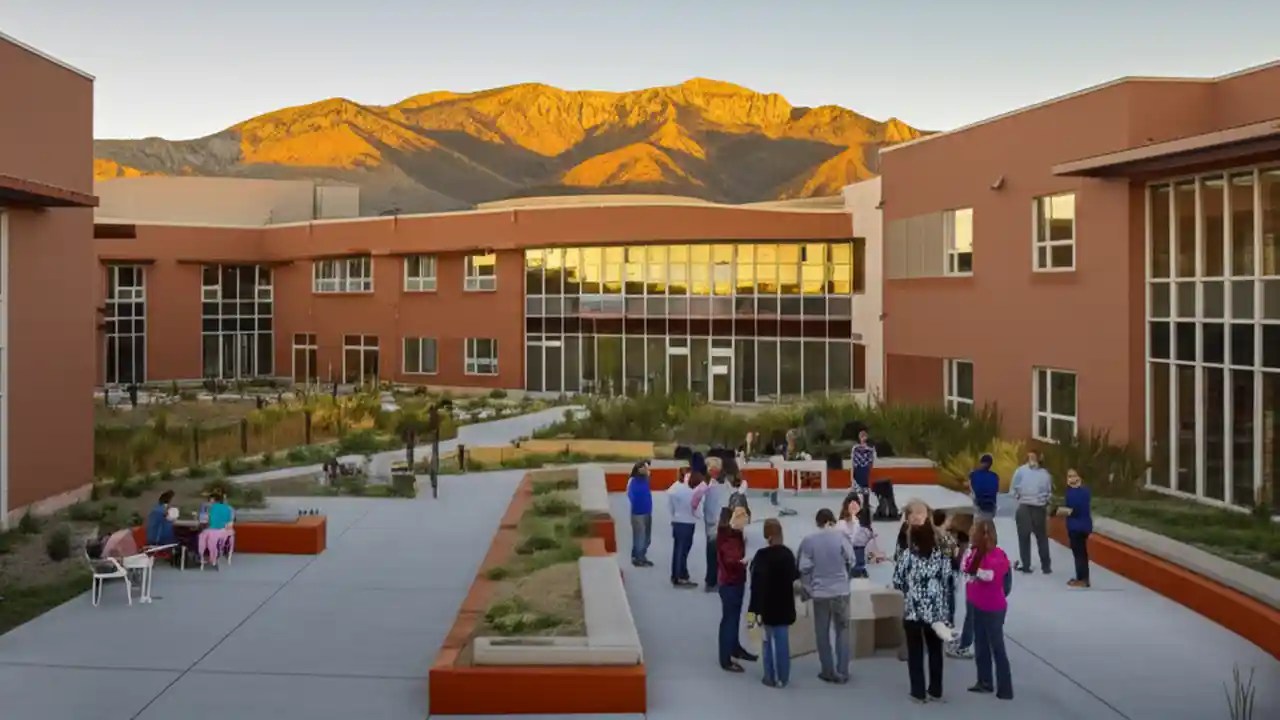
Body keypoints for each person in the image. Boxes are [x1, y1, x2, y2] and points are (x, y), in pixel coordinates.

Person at [892, 501, 953, 703]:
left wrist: (911, 589)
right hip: (935, 610)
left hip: (914, 610)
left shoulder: (908, 556)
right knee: (936, 651)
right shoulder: (940, 556)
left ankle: (918, 693)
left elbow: (898, 580)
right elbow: (947, 577)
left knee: (916, 651)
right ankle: (936, 691)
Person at [797, 508, 853, 683]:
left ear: (817, 522)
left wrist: (807, 587)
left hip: (820, 592)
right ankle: (843, 670)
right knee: (842, 631)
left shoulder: (809, 541)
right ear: (832, 521)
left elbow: (803, 567)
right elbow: (852, 560)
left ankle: (827, 670)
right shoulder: (842, 538)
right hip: (841, 592)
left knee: (822, 632)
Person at [964, 519, 1013, 699]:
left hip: (993, 608)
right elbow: (964, 567)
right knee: (981, 644)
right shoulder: (975, 553)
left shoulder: (998, 555)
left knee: (997, 647)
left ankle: (1005, 688)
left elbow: (990, 576)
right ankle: (984, 681)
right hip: (977, 605)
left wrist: (975, 570)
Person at [749, 518, 799, 688]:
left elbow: (755, 585)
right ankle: (783, 677)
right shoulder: (788, 554)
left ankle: (769, 676)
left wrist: (752, 612)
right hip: (784, 605)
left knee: (767, 643)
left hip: (766, 607)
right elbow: (795, 576)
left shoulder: (761, 556)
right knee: (783, 643)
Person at [716, 507, 756, 671]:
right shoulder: (728, 539)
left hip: (735, 581)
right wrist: (747, 560)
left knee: (734, 618)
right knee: (729, 620)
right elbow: (732, 561)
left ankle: (734, 647)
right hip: (730, 583)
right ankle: (725, 658)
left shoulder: (732, 536)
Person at [693, 454, 731, 592]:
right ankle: (712, 581)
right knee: (715, 553)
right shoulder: (709, 485)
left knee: (716, 553)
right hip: (715, 522)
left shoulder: (719, 484)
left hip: (718, 522)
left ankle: (714, 580)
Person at [1011, 450, 1053, 574]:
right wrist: (1018, 497)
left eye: (1034, 457)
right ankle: (1026, 565)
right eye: (1030, 457)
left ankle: (1046, 566)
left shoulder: (1045, 474)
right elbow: (1013, 488)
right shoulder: (1020, 471)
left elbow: (1049, 492)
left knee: (1041, 537)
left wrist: (1045, 502)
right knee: (1024, 536)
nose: (1032, 459)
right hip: (1024, 506)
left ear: (1040, 458)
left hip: (1039, 508)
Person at [667, 466, 699, 588]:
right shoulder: (690, 489)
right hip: (687, 522)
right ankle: (680, 576)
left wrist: (673, 517)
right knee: (683, 550)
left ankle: (679, 574)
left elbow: (670, 507)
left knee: (678, 549)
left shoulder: (674, 488)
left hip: (678, 521)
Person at [1062, 469, 1093, 588]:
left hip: (1078, 526)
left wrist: (1061, 511)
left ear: (1079, 477)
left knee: (1080, 553)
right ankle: (1080, 577)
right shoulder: (1072, 491)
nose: (1071, 479)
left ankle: (1083, 579)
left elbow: (1075, 509)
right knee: (1079, 553)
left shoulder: (1080, 492)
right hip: (1077, 525)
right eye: (1069, 476)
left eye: (1073, 476)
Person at [933, 510, 961, 629]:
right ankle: (948, 619)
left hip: (935, 569)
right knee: (949, 596)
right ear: (943, 521)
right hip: (947, 568)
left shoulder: (931, 534)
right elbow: (954, 552)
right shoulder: (945, 536)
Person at [626, 460, 654, 567]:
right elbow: (629, 494)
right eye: (644, 468)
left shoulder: (646, 479)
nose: (647, 470)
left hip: (647, 511)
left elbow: (648, 474)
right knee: (639, 536)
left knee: (646, 537)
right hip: (637, 513)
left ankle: (641, 555)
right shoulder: (632, 480)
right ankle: (638, 558)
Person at [836, 495, 872, 578]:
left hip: (861, 560)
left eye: (857, 503)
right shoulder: (841, 524)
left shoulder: (862, 522)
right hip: (847, 560)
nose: (854, 505)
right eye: (851, 503)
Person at [969, 453, 1000, 521]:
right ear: (990, 464)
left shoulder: (974, 474)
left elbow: (971, 488)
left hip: (978, 506)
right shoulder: (995, 476)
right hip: (991, 507)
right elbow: (996, 490)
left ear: (981, 462)